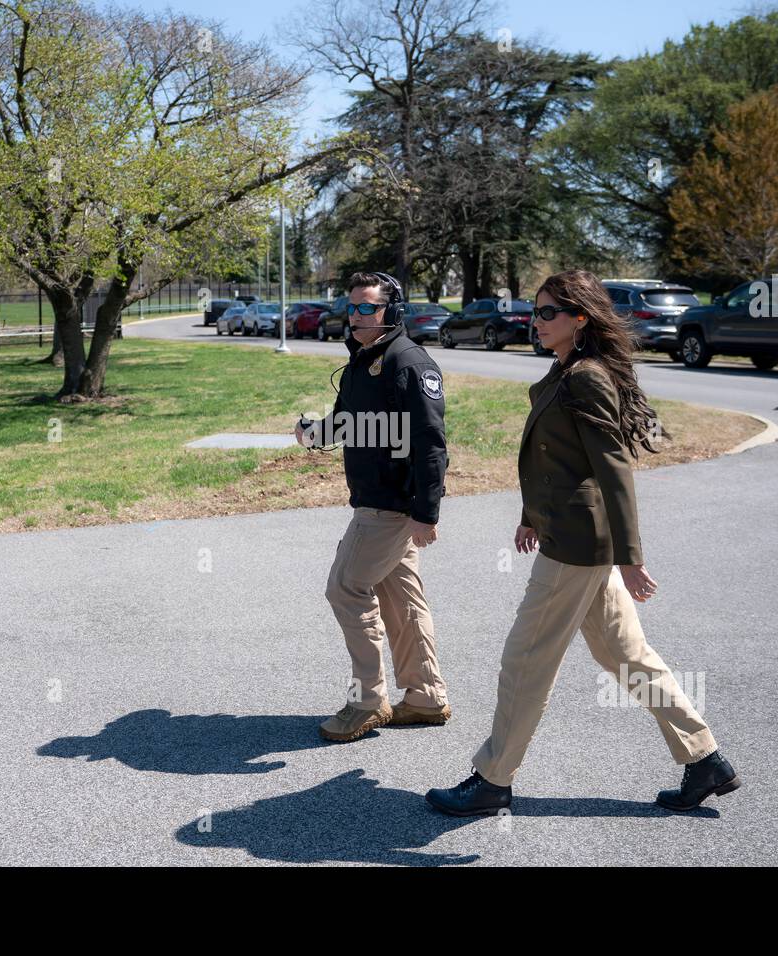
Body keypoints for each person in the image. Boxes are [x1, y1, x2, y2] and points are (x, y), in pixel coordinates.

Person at [425, 269, 740, 816]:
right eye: (535, 311)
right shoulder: (567, 369)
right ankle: (703, 757)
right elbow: (554, 460)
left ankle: (493, 779)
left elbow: (612, 469)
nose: (536, 321)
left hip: (577, 545)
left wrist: (631, 557)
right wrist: (529, 515)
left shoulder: (587, 376)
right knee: (627, 655)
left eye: (549, 313)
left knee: (525, 659)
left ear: (580, 318)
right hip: (570, 534)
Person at [295, 271, 451, 742]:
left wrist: (427, 512)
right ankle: (425, 696)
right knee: (400, 598)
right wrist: (314, 434)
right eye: (352, 307)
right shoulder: (365, 360)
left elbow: (430, 444)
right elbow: (347, 420)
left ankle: (367, 700)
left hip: (389, 507)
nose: (356, 315)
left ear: (393, 312)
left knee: (345, 588)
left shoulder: (409, 363)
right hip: (377, 501)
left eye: (368, 307)